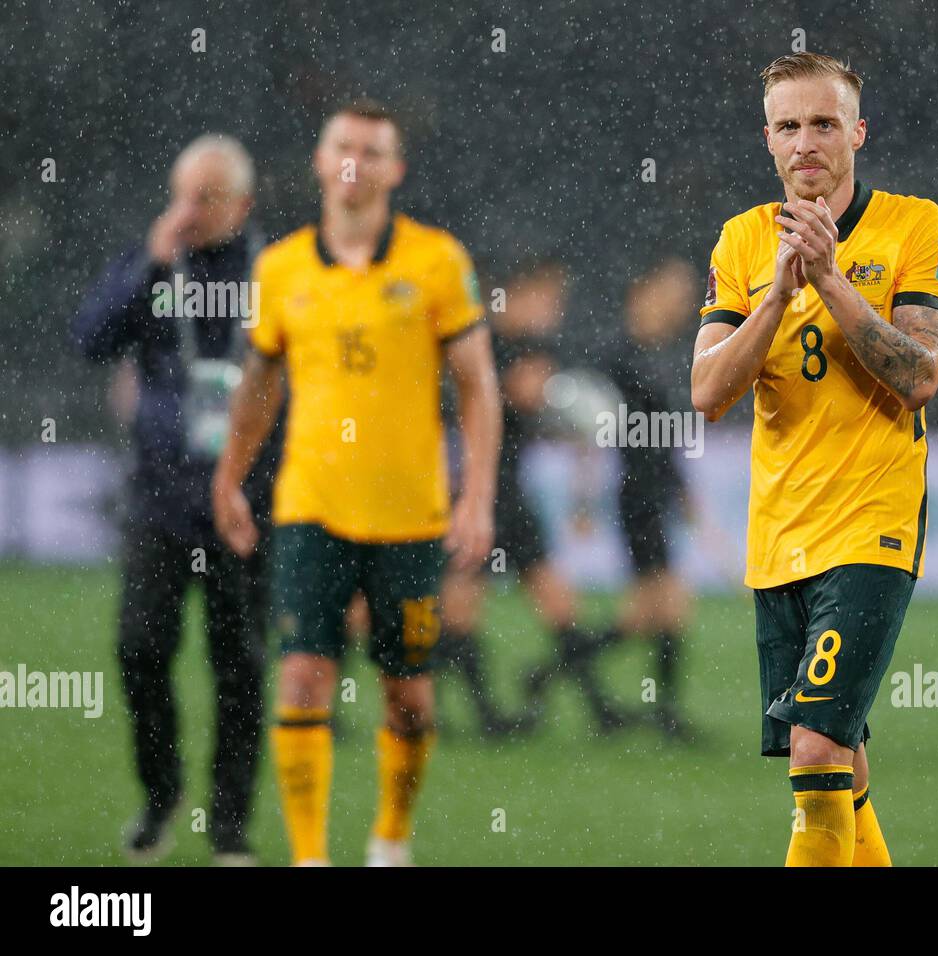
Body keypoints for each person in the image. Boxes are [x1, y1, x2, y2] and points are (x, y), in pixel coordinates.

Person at [212, 99, 502, 867]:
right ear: (319, 157)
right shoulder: (278, 270)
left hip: (412, 515)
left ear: (395, 170)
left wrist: (476, 497)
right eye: (343, 144)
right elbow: (258, 387)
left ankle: (390, 839)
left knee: (409, 697)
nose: (355, 160)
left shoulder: (437, 261)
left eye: (373, 151)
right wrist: (230, 476)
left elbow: (477, 385)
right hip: (311, 507)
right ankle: (310, 858)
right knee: (303, 677)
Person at [690, 53, 938, 866]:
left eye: (823, 123)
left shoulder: (917, 226)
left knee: (812, 746)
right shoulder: (742, 240)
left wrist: (834, 281)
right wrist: (777, 293)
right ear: (769, 140)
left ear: (857, 133)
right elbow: (707, 392)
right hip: (779, 537)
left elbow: (919, 377)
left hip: (872, 524)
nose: (805, 142)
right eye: (788, 125)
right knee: (839, 757)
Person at [71, 134, 275, 865]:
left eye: (206, 198)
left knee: (242, 667)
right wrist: (153, 261)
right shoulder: (154, 261)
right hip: (161, 500)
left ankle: (228, 828)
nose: (187, 210)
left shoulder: (275, 272)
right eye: (180, 193)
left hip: (248, 504)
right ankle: (161, 794)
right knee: (139, 648)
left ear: (242, 204)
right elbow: (91, 339)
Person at [439, 261, 627, 735]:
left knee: (558, 608)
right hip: (480, 497)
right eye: (547, 298)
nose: (555, 310)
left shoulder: (520, 347)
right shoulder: (490, 344)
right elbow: (526, 395)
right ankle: (456, 714)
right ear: (516, 294)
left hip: (508, 501)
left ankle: (597, 711)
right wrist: (568, 399)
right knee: (456, 614)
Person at [605, 257, 699, 739]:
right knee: (660, 610)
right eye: (674, 293)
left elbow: (663, 442)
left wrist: (681, 490)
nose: (681, 305)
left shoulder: (657, 354)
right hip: (635, 498)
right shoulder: (619, 357)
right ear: (644, 291)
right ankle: (666, 715)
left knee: (657, 612)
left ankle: (554, 669)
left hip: (654, 496)